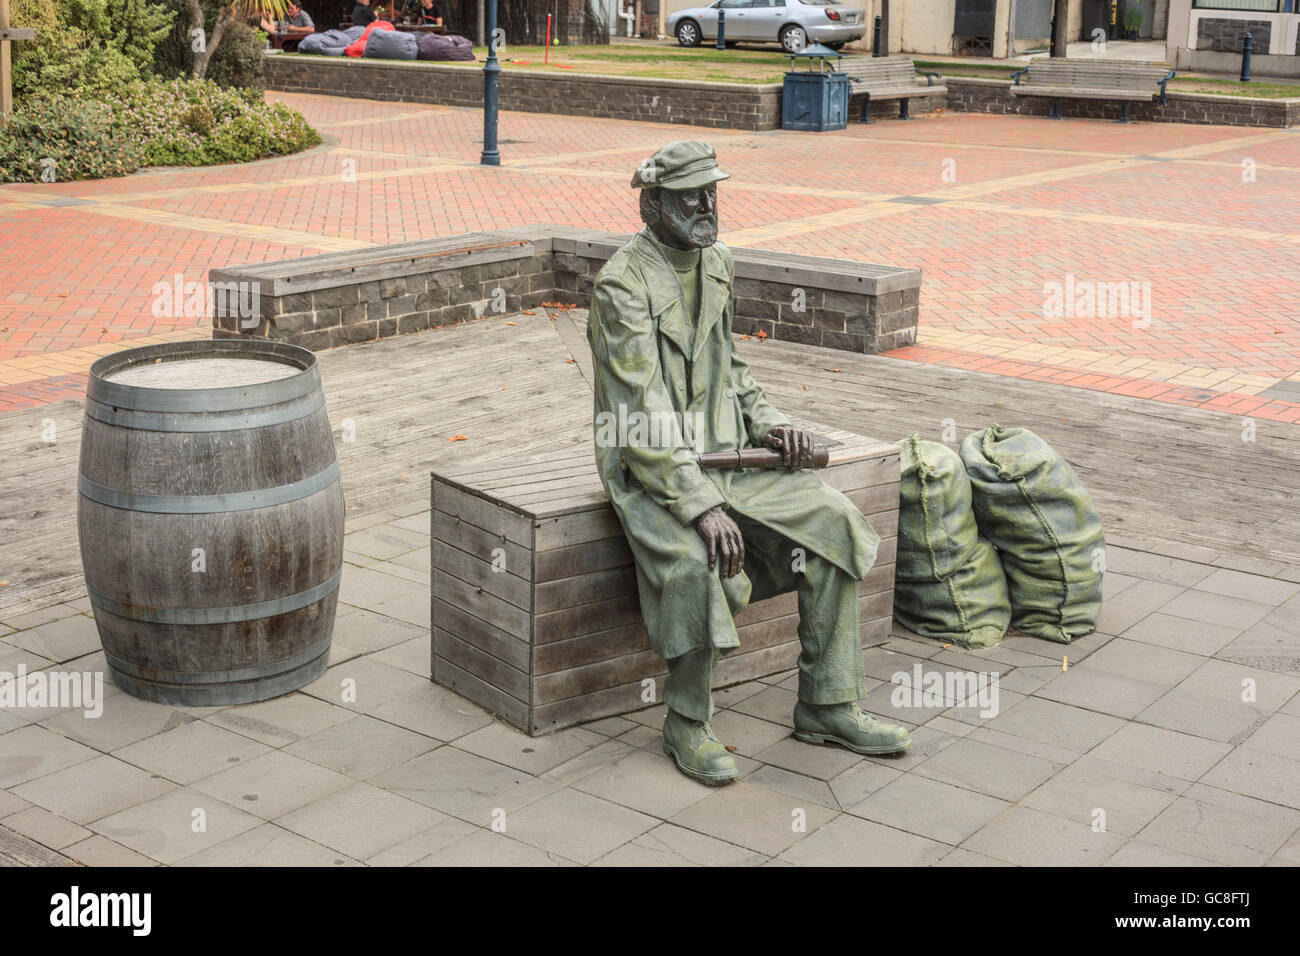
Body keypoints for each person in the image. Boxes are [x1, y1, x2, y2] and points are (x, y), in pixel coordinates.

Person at [586, 141, 912, 787]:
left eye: (712, 191)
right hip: (659, 471)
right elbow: (638, 408)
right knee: (701, 568)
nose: (707, 205)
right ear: (652, 204)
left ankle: (829, 704)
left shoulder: (717, 262)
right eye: (689, 195)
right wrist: (698, 503)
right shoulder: (622, 283)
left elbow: (732, 369)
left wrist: (771, 425)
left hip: (735, 457)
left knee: (836, 525)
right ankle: (685, 721)